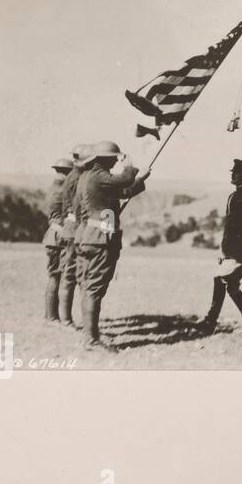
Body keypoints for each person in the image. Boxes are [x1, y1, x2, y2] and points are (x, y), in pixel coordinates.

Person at [71, 141, 149, 349]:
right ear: (104, 159)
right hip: (100, 238)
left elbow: (122, 192)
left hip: (88, 236)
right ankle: (91, 339)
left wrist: (140, 180)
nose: (116, 160)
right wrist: (130, 165)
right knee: (95, 288)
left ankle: (90, 333)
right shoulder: (100, 176)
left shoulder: (86, 178)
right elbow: (125, 179)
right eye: (114, 157)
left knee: (88, 286)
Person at [199, 158, 242, 336]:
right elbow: (228, 228)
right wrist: (222, 251)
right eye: (232, 172)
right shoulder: (232, 196)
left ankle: (211, 320)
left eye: (235, 172)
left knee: (222, 280)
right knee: (230, 285)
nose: (232, 174)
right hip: (230, 252)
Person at [56, 143, 90, 328]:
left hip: (71, 229)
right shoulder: (78, 178)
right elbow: (78, 207)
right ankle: (66, 320)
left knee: (69, 275)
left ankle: (66, 319)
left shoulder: (73, 176)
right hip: (75, 230)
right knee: (71, 275)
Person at [40, 156, 76, 323]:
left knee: (54, 276)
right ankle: (58, 318)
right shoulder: (63, 190)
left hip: (52, 236)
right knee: (62, 277)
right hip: (60, 236)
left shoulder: (52, 187)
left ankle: (50, 316)